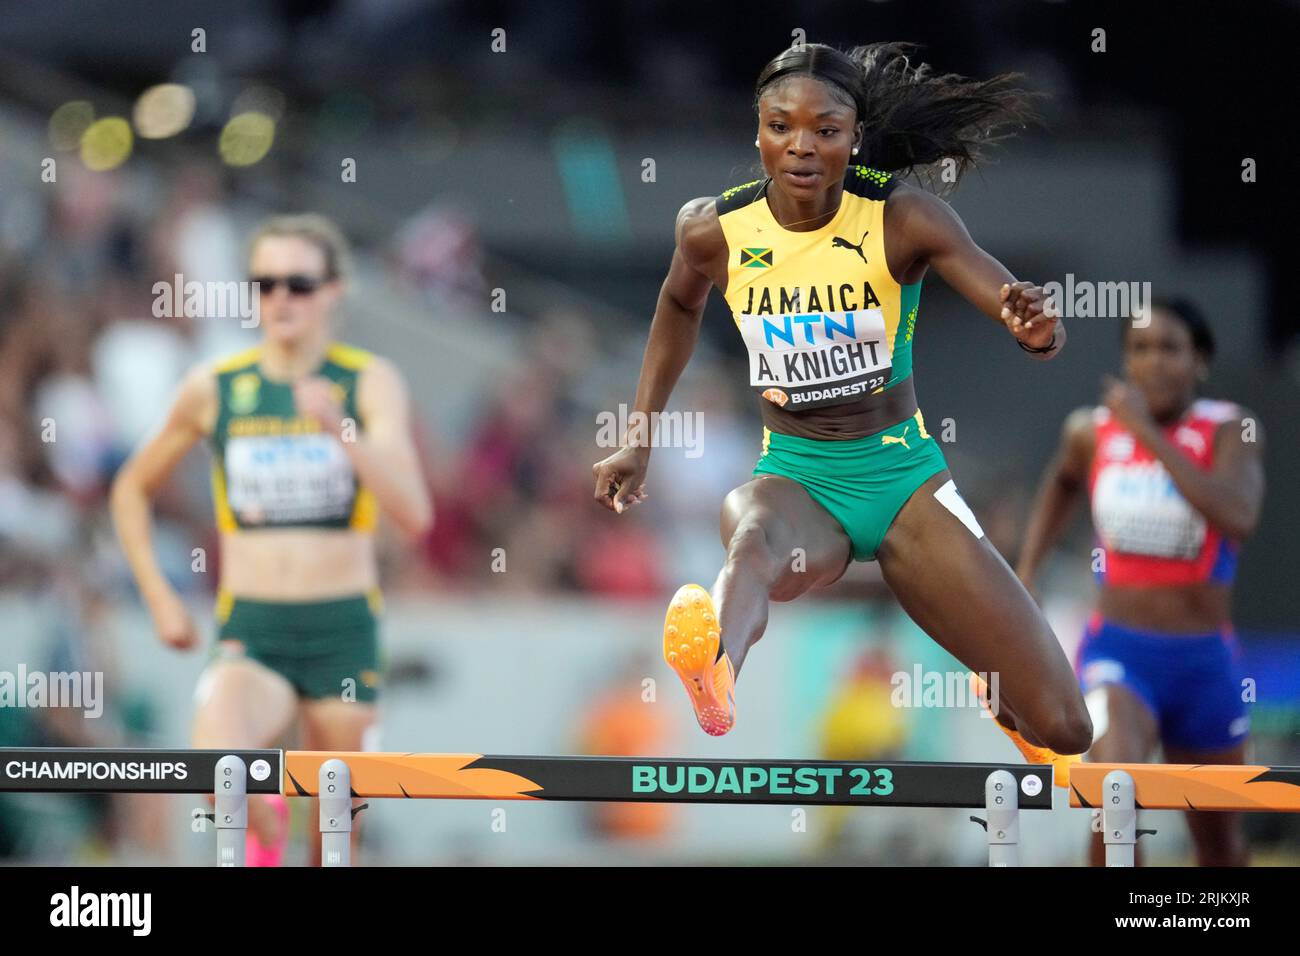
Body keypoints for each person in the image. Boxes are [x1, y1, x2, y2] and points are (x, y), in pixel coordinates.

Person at [591, 43, 1092, 784]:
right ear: (757, 131)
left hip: (904, 483)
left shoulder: (904, 218)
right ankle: (715, 670)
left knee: (1066, 729)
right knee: (755, 545)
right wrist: (640, 438)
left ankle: (1002, 692)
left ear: (854, 138)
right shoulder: (713, 230)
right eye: (781, 126)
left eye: (825, 129)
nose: (801, 146)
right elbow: (676, 303)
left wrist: (1034, 326)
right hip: (796, 478)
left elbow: (1005, 297)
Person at [111, 214, 431, 865]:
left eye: (299, 283)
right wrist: (160, 597)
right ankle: (265, 827)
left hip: (340, 629)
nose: (281, 298)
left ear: (334, 291)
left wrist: (341, 430)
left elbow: (414, 511)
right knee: (218, 778)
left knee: (335, 838)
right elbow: (130, 489)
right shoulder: (216, 387)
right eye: (265, 283)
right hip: (252, 628)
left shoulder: (367, 382)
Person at [1018, 299, 1263, 864]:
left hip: (1204, 662)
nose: (1154, 363)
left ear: (1199, 360)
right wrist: (1027, 572)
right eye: (1140, 349)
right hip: (1119, 653)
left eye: (1170, 348)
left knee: (1218, 843)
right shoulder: (1091, 432)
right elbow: (1060, 482)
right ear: (1126, 360)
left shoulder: (1231, 429)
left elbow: (1238, 517)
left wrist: (1149, 436)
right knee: (1116, 796)